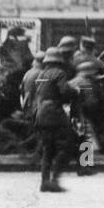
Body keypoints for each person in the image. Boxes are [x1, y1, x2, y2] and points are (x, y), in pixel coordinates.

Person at [32, 46, 79, 192]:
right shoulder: (59, 73)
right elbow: (64, 91)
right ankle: (55, 180)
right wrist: (75, 91)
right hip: (55, 114)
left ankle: (44, 182)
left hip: (41, 114)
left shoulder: (41, 74)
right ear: (59, 61)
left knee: (47, 149)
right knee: (66, 146)